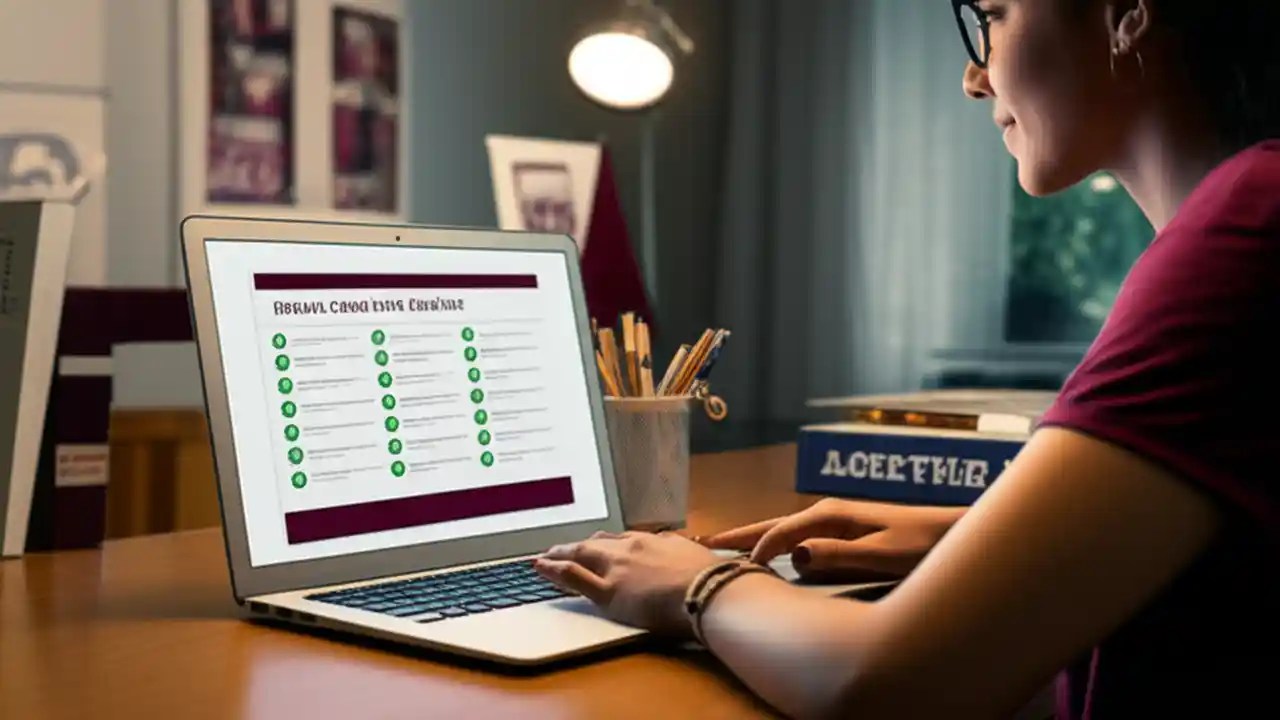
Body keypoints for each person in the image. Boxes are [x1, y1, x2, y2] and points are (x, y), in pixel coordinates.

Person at [533, 0, 1280, 717]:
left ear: (1128, 13)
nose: (975, 76)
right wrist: (960, 539)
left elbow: (880, 684)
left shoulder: (1247, 230)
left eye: (993, 17)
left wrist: (697, 584)